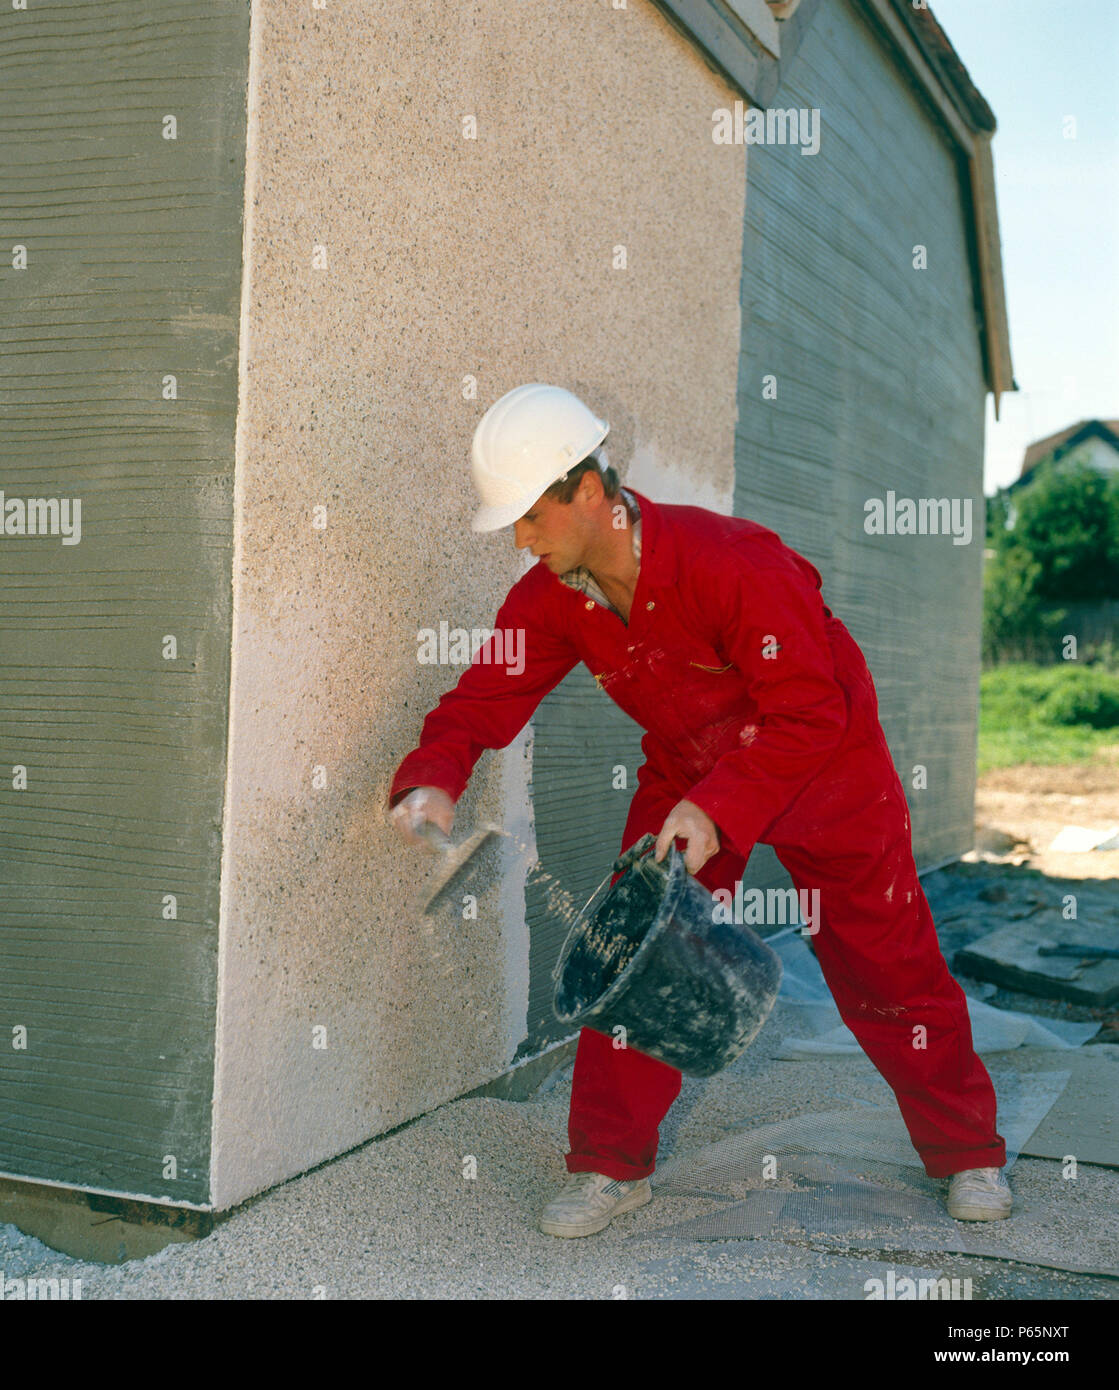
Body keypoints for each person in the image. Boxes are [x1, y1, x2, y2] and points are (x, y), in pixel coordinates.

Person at [388, 383, 1012, 1237]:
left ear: (587, 490)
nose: (522, 541)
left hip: (825, 774)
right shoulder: (554, 595)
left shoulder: (733, 562)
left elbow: (809, 711)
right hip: (685, 778)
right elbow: (483, 694)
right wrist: (432, 775)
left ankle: (966, 1153)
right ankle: (610, 1168)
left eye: (530, 517)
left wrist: (721, 805)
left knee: (886, 968)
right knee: (635, 952)